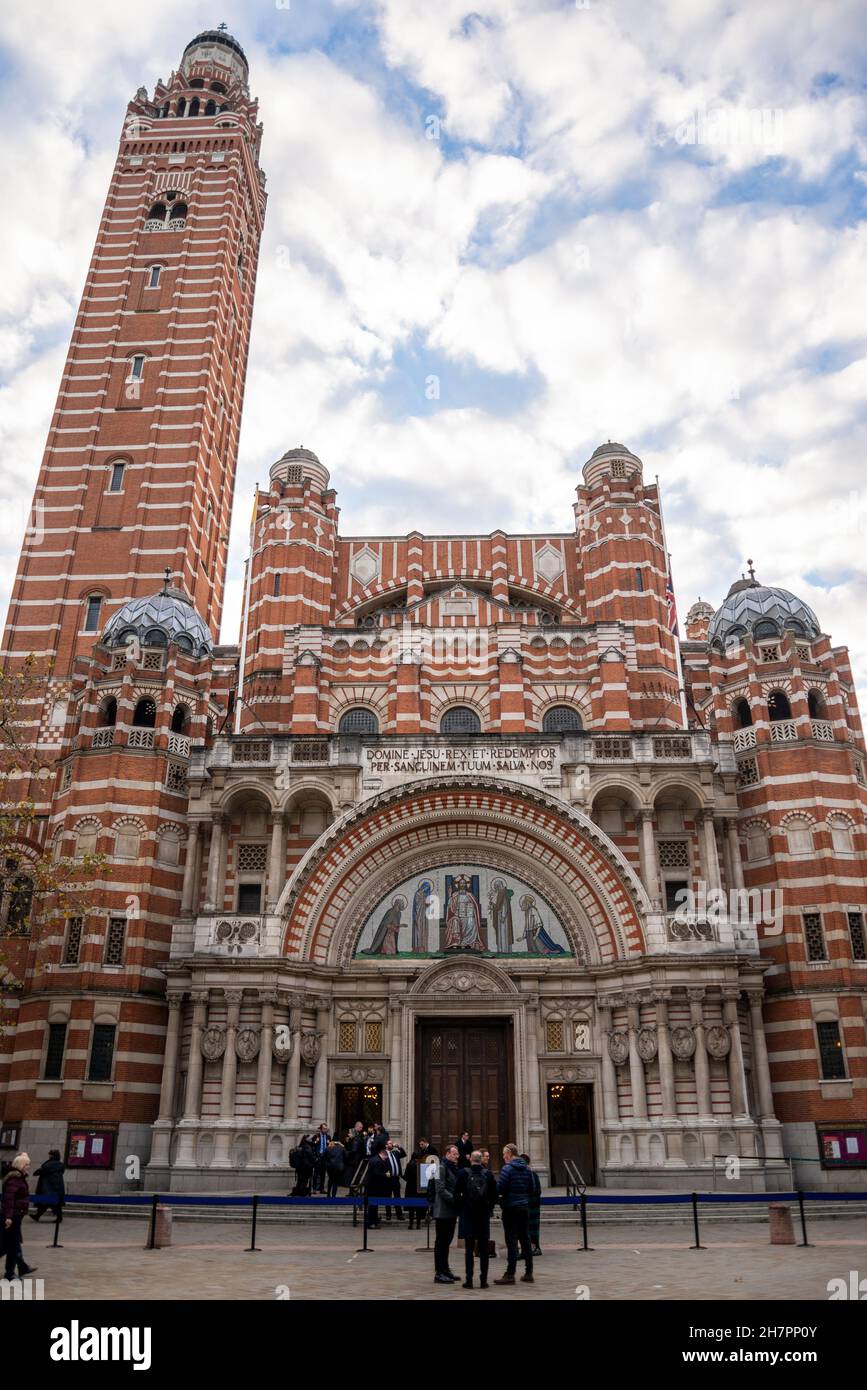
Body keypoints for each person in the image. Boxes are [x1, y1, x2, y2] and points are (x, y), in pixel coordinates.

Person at [455, 1150, 497, 1289]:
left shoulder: (463, 1173)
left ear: (470, 1159)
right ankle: (483, 1281)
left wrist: (463, 1206)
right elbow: (494, 1195)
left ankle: (469, 1280)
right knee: (484, 1249)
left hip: (468, 1214)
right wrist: (489, 1208)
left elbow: (456, 1193)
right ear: (481, 1159)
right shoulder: (488, 1174)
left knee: (469, 1249)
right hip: (483, 1215)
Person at [494, 1143, 534, 1285]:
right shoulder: (527, 1169)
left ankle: (510, 1274)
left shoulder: (507, 1169)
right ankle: (529, 1272)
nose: (503, 1157)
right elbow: (532, 1188)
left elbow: (500, 1188)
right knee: (525, 1239)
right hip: (523, 1207)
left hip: (510, 1207)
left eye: (504, 1154)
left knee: (511, 1241)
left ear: (509, 1154)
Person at [428, 1142, 460, 1284]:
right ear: (447, 1154)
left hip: (451, 1210)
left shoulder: (453, 1168)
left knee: (447, 1241)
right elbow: (440, 1189)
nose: (457, 1156)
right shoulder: (440, 1167)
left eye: (457, 1154)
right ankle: (439, 1272)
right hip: (443, 1211)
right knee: (441, 1242)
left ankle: (446, 1269)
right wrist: (455, 1199)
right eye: (454, 1154)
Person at [2, 1153, 36, 1282]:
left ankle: (13, 1271)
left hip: (16, 1215)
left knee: (9, 1245)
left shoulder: (19, 1178)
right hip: (13, 1216)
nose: (28, 1167)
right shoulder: (15, 1179)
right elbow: (9, 1199)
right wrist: (8, 1217)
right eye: (27, 1164)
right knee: (11, 1245)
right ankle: (10, 1273)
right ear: (21, 1165)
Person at [405, 1139, 438, 1230]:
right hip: (419, 1188)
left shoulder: (409, 1165)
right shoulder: (422, 1165)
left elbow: (406, 1177)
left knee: (411, 1207)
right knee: (419, 1207)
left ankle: (411, 1224)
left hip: (410, 1188)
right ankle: (418, 1224)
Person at [30, 1149, 65, 1223]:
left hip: (48, 1187)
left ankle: (38, 1216)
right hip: (57, 1187)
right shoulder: (60, 1164)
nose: (49, 1156)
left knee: (45, 1202)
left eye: (50, 1154)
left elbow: (40, 1171)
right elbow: (61, 1172)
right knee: (55, 1204)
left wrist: (36, 1173)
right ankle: (38, 1216)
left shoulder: (48, 1164)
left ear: (52, 1155)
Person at [521, 1152, 543, 1256]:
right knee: (532, 1228)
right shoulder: (533, 1174)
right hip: (533, 1205)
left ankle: (534, 1247)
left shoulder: (529, 1174)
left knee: (529, 1228)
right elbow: (538, 1191)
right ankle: (534, 1246)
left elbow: (536, 1191)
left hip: (529, 1205)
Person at [365, 1149, 392, 1229]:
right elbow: (376, 1174)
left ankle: (374, 1221)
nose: (385, 1159)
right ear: (383, 1155)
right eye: (385, 1158)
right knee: (372, 1207)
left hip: (371, 1187)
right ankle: (371, 1223)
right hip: (374, 1187)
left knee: (373, 1206)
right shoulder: (377, 1161)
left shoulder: (374, 1159)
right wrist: (385, 1175)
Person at [383, 1140, 406, 1222]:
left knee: (397, 1197)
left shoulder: (395, 1153)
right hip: (388, 1179)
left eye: (392, 1143)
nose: (392, 1144)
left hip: (396, 1179)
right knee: (387, 1197)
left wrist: (399, 1147)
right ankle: (388, 1214)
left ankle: (399, 1215)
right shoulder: (383, 1154)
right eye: (390, 1143)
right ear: (386, 1145)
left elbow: (404, 1154)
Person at [312, 1123, 331, 1193]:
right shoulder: (316, 1136)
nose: (325, 1130)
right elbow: (312, 1145)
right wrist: (316, 1141)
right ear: (321, 1129)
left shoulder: (328, 1137)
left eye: (326, 1128)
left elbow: (330, 1146)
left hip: (325, 1157)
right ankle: (314, 1188)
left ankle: (321, 1189)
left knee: (323, 1174)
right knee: (316, 1174)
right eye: (324, 1128)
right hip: (318, 1156)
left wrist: (329, 1143)